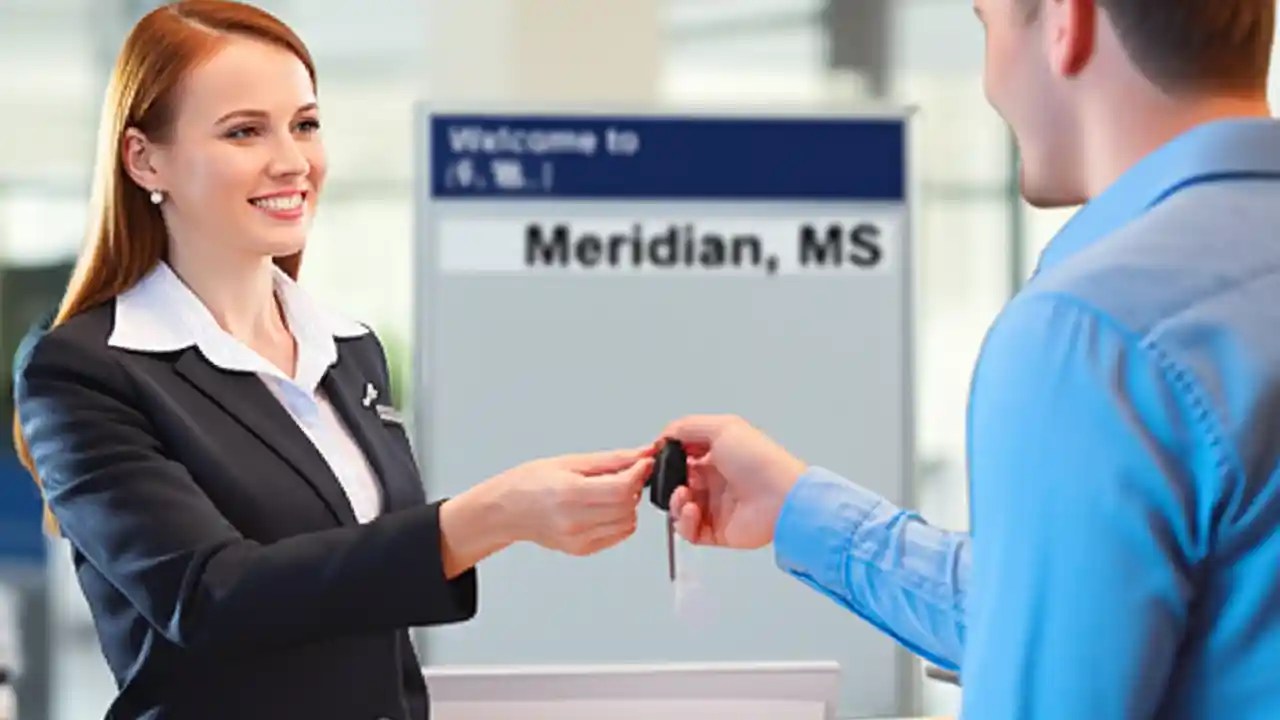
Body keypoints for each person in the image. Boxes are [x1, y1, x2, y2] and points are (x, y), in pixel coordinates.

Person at [9, 2, 653, 719]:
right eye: (244, 131)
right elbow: (211, 597)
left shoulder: (347, 349)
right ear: (143, 158)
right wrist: (487, 518)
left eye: (305, 124)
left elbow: (367, 604)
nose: (291, 160)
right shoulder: (84, 371)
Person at [657, 0, 1280, 718]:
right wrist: (799, 506)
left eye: (984, 23)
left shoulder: (1092, 333)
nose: (988, 82)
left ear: (1063, 23)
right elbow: (1092, 612)